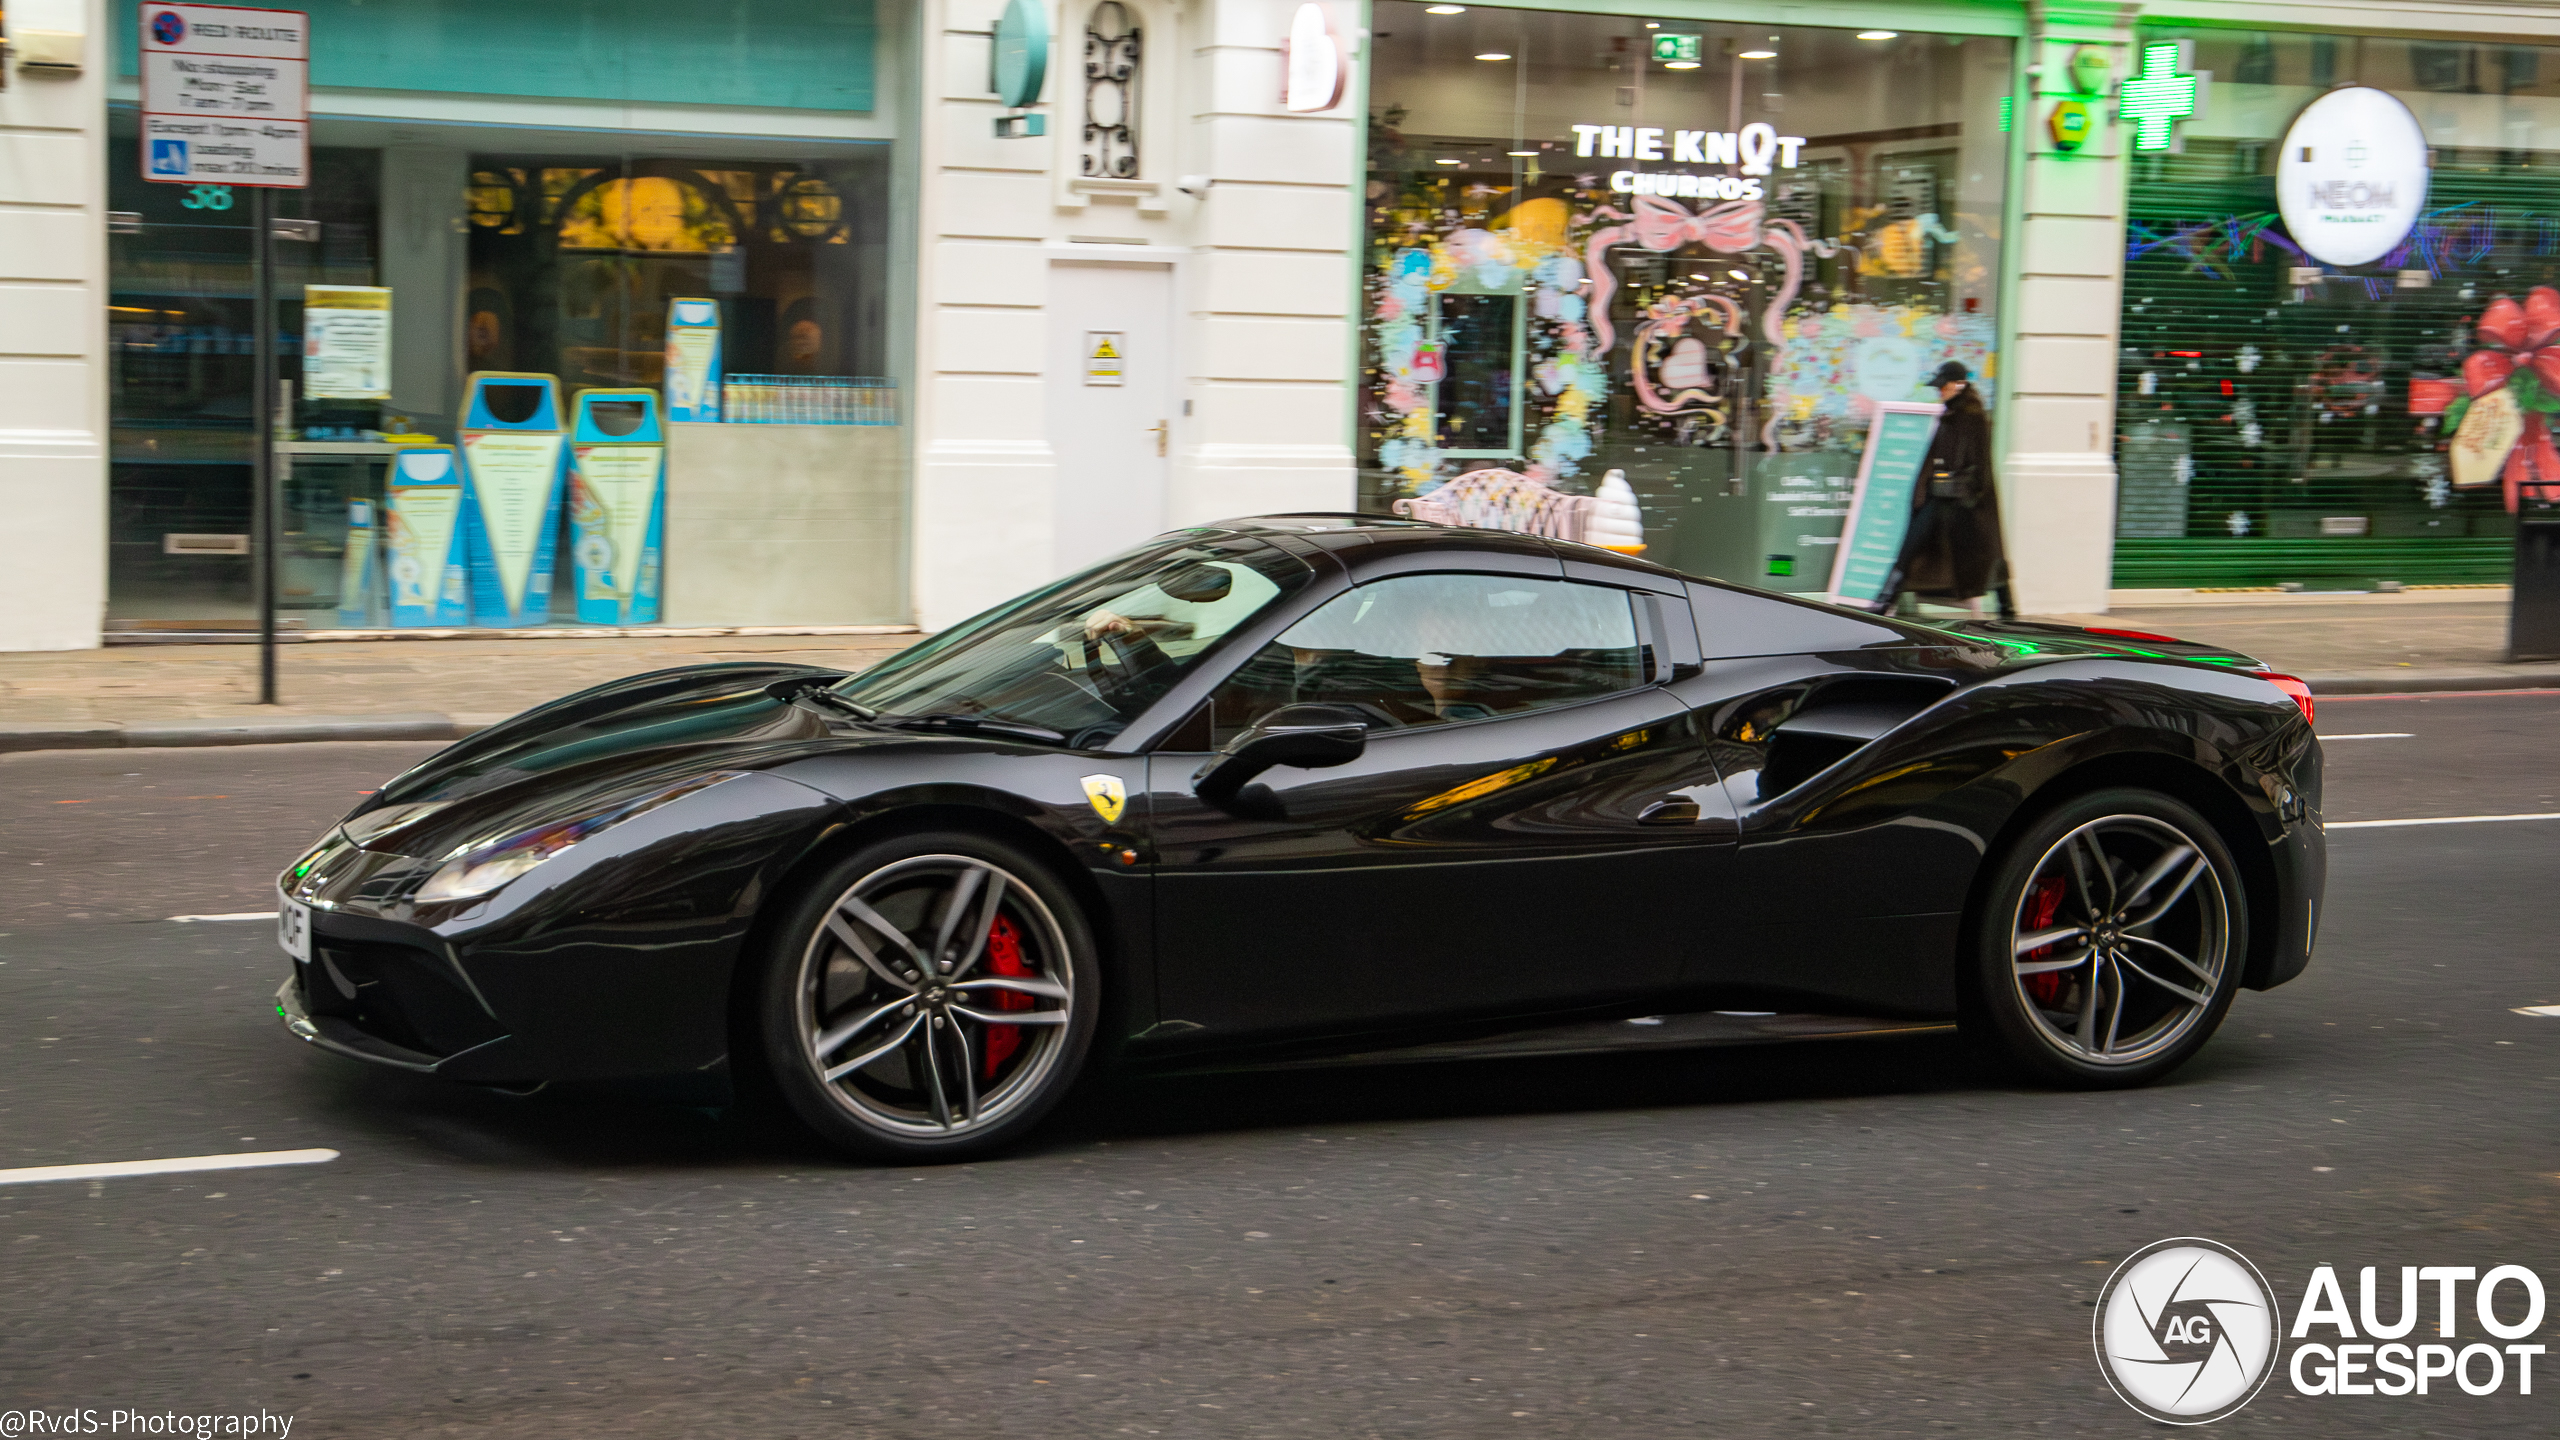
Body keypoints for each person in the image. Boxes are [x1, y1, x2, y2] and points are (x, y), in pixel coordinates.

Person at [1877, 361, 2014, 620]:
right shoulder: (1951, 415)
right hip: (1941, 497)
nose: (1939, 391)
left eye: (1943, 386)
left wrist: (1965, 494)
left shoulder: (1972, 416)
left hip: (1963, 502)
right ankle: (1884, 601)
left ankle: (2008, 609)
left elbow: (1979, 465)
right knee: (1912, 546)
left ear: (1957, 385)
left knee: (1985, 554)